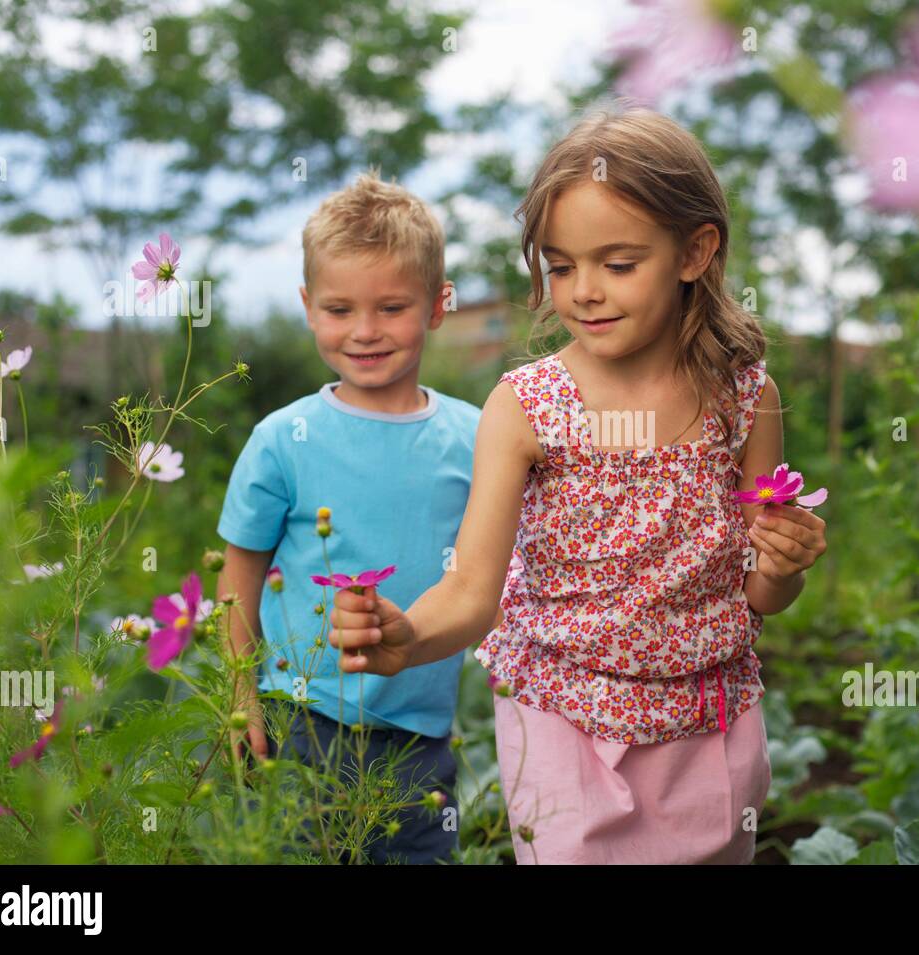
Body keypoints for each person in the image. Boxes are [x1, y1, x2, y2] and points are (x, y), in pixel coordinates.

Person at [329, 107, 827, 864]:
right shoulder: (526, 406)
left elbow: (760, 597)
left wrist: (785, 566)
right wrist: (411, 638)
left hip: (709, 722)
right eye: (561, 266)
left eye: (618, 264)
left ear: (695, 251)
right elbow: (473, 590)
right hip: (562, 720)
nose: (585, 290)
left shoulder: (744, 397)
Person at [215, 170, 480, 864]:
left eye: (392, 307)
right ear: (307, 305)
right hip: (299, 721)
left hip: (421, 738)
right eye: (339, 309)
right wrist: (240, 694)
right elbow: (237, 577)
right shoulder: (282, 438)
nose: (364, 332)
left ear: (437, 305)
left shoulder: (476, 436)